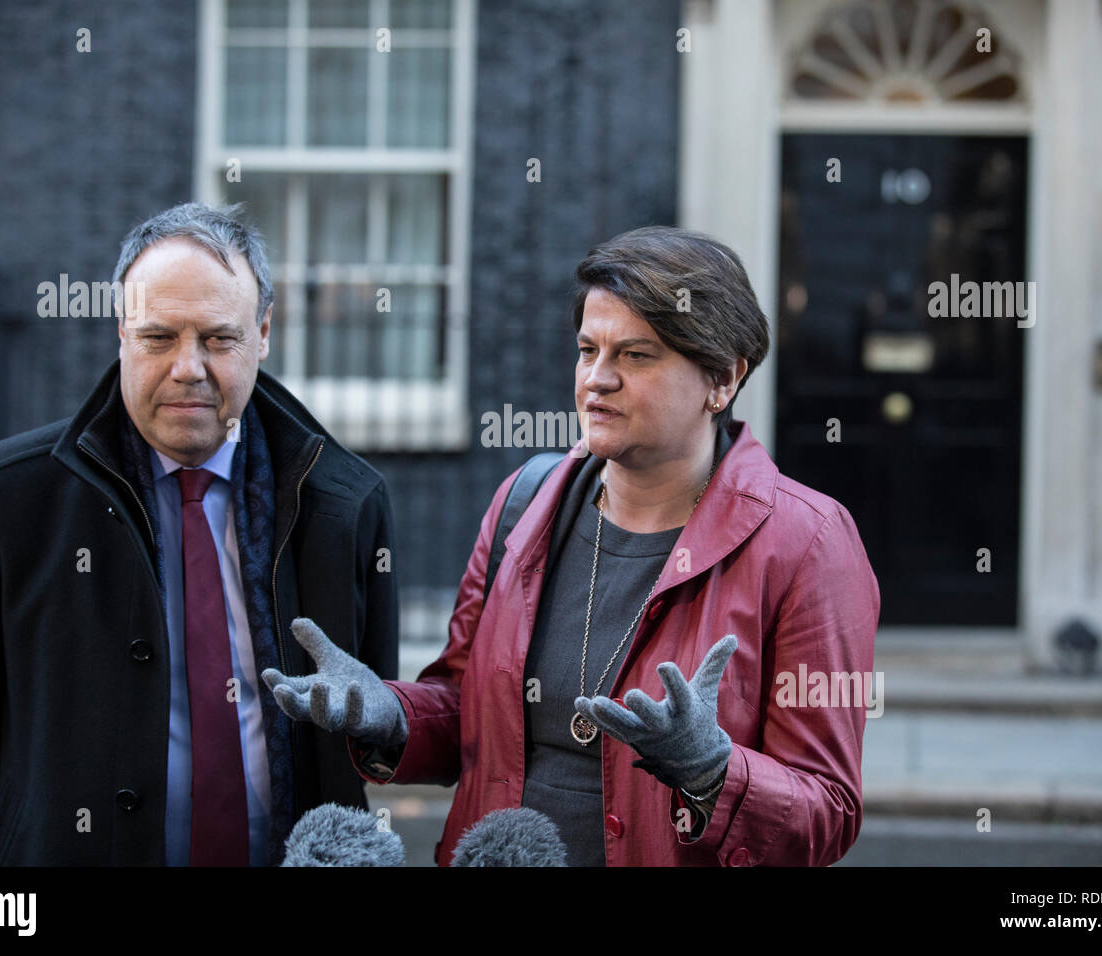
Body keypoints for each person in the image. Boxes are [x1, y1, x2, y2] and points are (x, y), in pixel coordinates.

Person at [267, 225, 880, 866]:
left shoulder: (806, 542)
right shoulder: (523, 504)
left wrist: (712, 770)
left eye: (636, 356)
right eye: (589, 350)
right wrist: (389, 712)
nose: (598, 379)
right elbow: (465, 711)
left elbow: (827, 809)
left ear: (721, 379)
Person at [0, 202, 399, 866]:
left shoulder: (347, 506)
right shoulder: (1, 500)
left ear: (264, 332)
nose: (188, 367)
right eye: (159, 337)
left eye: (218, 338)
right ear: (122, 335)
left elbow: (372, 729)